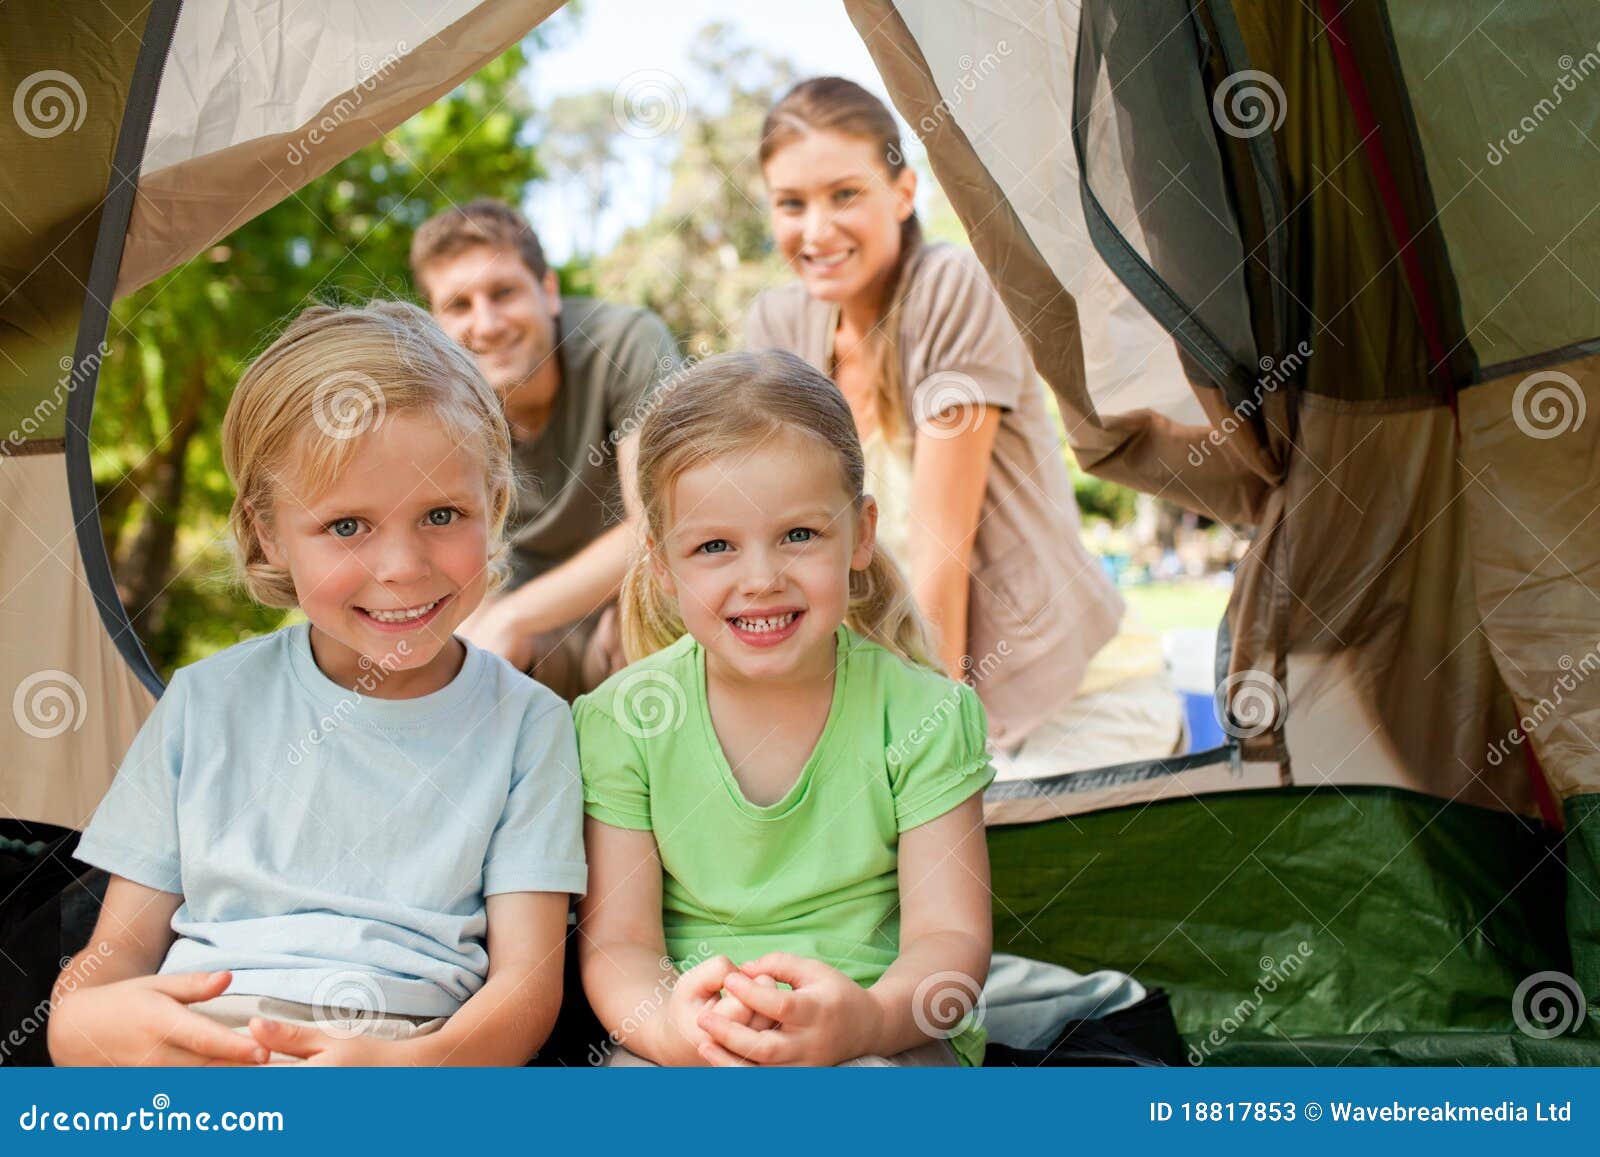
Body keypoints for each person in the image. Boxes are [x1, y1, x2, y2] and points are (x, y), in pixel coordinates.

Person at [49, 303, 586, 1066]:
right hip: (194, 1050)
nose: (402, 566)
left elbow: (527, 990)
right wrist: (95, 1029)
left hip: (398, 1066)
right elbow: (105, 970)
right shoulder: (203, 704)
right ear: (268, 530)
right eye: (346, 526)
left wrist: (406, 1072)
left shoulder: (529, 725)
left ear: (495, 504)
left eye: (443, 513)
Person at [746, 77, 1183, 779]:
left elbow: (938, 556)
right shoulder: (781, 327)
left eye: (845, 193)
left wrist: (925, 757)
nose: (816, 229)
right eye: (791, 204)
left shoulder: (950, 287)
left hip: (1072, 703)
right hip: (911, 697)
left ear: (904, 192)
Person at [575, 350, 993, 1067]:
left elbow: (950, 943)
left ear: (860, 534)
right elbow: (619, 947)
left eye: (799, 535)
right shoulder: (623, 722)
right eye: (715, 546)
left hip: (885, 1031)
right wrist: (679, 1033)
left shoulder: (925, 712)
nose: (761, 578)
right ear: (663, 566)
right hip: (691, 1041)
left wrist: (863, 1022)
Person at [411, 199, 680, 700]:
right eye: (459, 306)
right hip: (537, 634)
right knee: (453, 666)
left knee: (648, 632)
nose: (487, 325)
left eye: (503, 292)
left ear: (548, 291)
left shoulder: (621, 342)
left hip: (639, 602)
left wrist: (513, 615)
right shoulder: (442, 405)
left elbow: (659, 523)